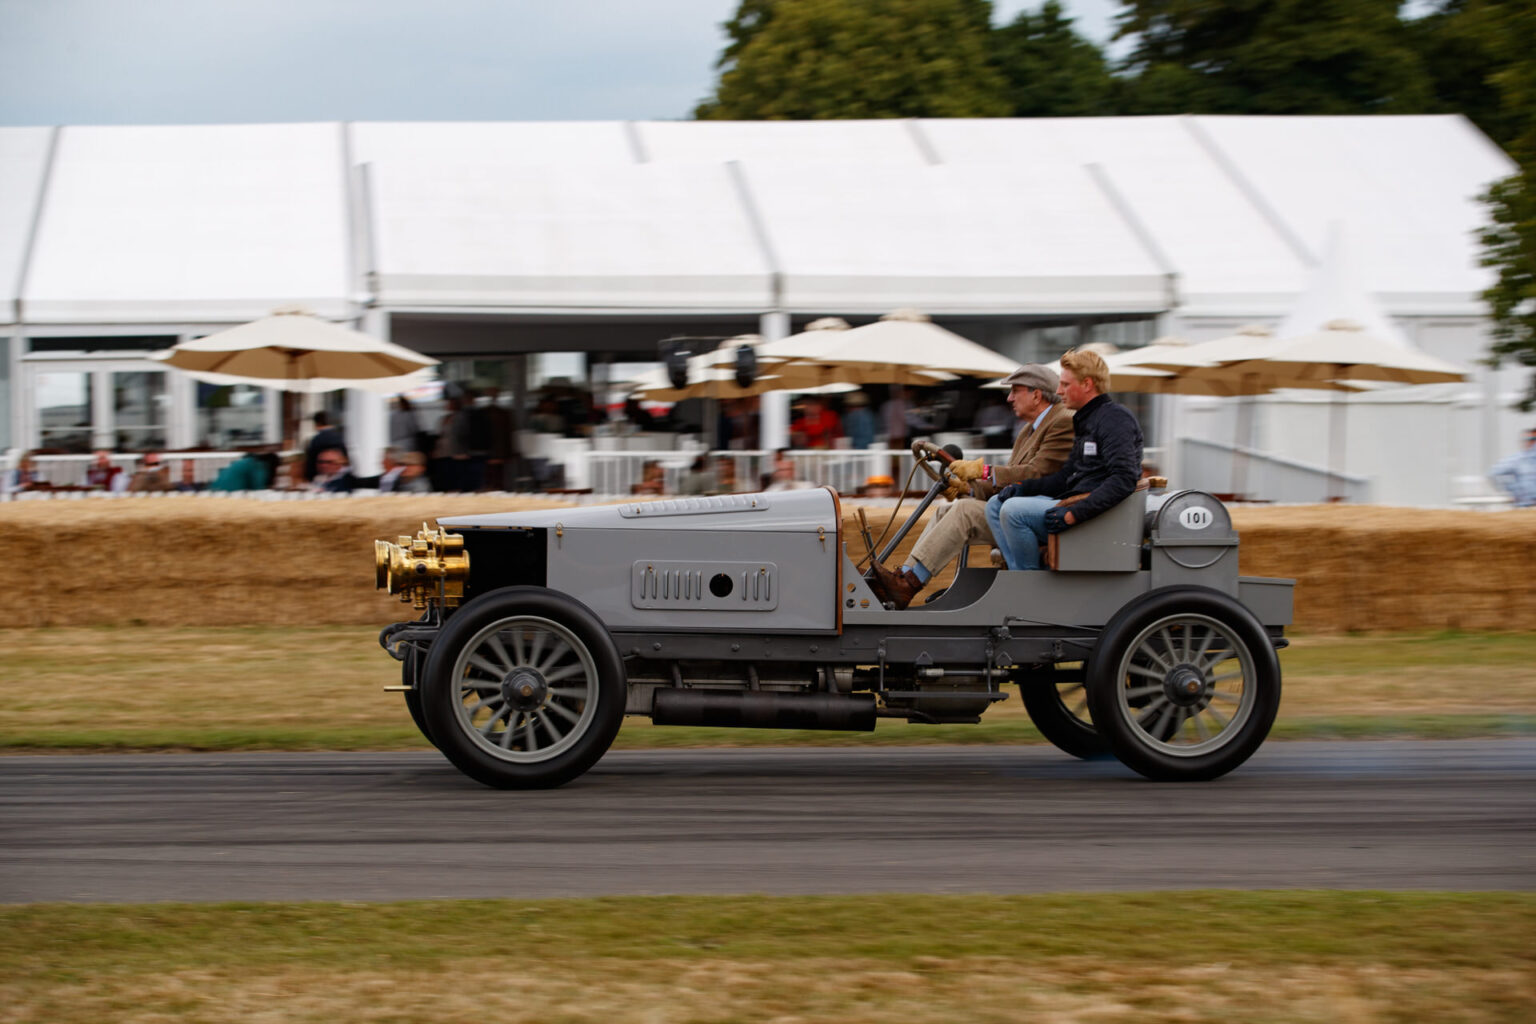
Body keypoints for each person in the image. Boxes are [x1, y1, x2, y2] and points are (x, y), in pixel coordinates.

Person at [866, 364, 1074, 609]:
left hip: (1038, 516)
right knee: (946, 510)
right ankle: (904, 578)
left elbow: (1037, 474)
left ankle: (910, 583)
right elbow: (1013, 484)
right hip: (1016, 508)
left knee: (965, 512)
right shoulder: (1030, 430)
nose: (1009, 398)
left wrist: (982, 471)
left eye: (1015, 391)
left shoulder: (1062, 422)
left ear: (1036, 395)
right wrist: (969, 489)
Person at [984, 348, 1143, 571]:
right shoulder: (1087, 420)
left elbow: (1124, 479)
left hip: (1099, 518)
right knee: (995, 505)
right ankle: (1017, 573)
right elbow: (1066, 477)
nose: (1058, 391)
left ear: (1087, 384)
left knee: (1013, 512)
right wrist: (1022, 487)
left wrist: (1073, 514)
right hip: (1078, 504)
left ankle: (1030, 582)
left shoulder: (1114, 419)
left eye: (1065, 385)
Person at [1490, 427, 1536, 507]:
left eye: (1534, 439)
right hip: (1525, 506)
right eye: (1530, 439)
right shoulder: (1517, 460)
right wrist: (1514, 490)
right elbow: (1493, 474)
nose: (1533, 443)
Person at [303, 411, 347, 483]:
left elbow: (311, 462)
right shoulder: (341, 437)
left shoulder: (317, 440)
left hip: (322, 478)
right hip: (340, 476)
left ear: (317, 423)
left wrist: (309, 477)